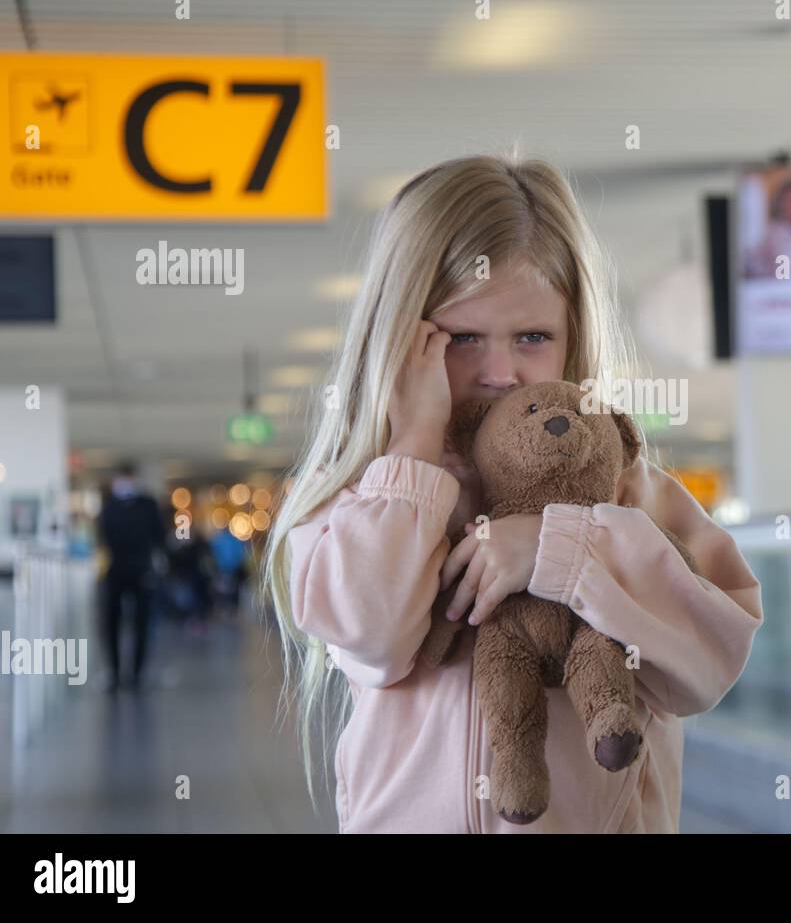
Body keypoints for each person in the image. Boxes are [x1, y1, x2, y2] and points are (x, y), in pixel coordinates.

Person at [263, 153, 764, 833]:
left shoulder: (629, 492)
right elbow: (374, 641)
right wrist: (413, 448)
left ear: (573, 336)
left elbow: (707, 664)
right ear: (399, 339)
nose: (500, 372)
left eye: (532, 337)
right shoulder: (361, 499)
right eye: (463, 338)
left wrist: (566, 551)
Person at [97, 462, 165, 691]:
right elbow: (103, 537)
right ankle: (115, 673)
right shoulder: (109, 507)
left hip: (142, 570)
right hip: (116, 570)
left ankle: (136, 674)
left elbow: (159, 536)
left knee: (142, 623)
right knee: (111, 623)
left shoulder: (147, 505)